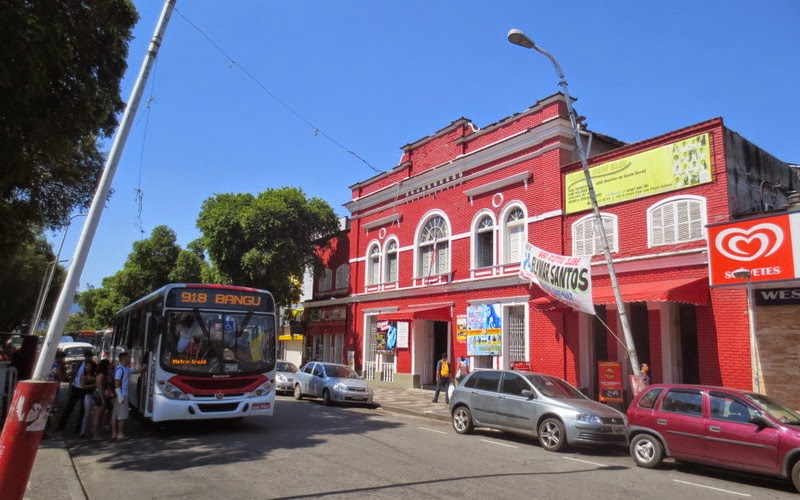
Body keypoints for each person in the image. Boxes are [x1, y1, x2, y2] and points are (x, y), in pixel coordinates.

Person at [57, 350, 93, 434]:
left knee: (83, 410)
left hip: (85, 389)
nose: (89, 358)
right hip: (76, 388)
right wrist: (70, 388)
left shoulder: (92, 366)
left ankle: (79, 427)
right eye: (88, 356)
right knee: (69, 407)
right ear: (85, 356)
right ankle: (62, 425)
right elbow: (73, 375)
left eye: (90, 357)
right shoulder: (79, 364)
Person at [112, 352, 145, 440]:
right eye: (128, 357)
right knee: (121, 415)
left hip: (122, 395)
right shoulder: (120, 370)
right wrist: (119, 395)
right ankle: (120, 434)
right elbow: (116, 383)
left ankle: (114, 433)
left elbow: (137, 371)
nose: (130, 359)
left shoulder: (126, 369)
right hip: (122, 395)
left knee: (116, 414)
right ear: (123, 359)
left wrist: (145, 366)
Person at [91, 359, 113, 440]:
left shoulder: (102, 375)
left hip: (100, 395)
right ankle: (95, 435)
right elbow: (99, 388)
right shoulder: (101, 376)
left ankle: (97, 433)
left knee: (99, 417)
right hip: (99, 396)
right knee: (97, 417)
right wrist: (103, 398)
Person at [79, 360, 98, 437]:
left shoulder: (95, 375)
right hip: (87, 395)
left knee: (94, 414)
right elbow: (83, 386)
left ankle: (93, 430)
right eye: (86, 366)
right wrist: (94, 385)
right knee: (87, 413)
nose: (87, 368)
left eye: (89, 366)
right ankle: (82, 432)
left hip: (94, 395)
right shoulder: (83, 376)